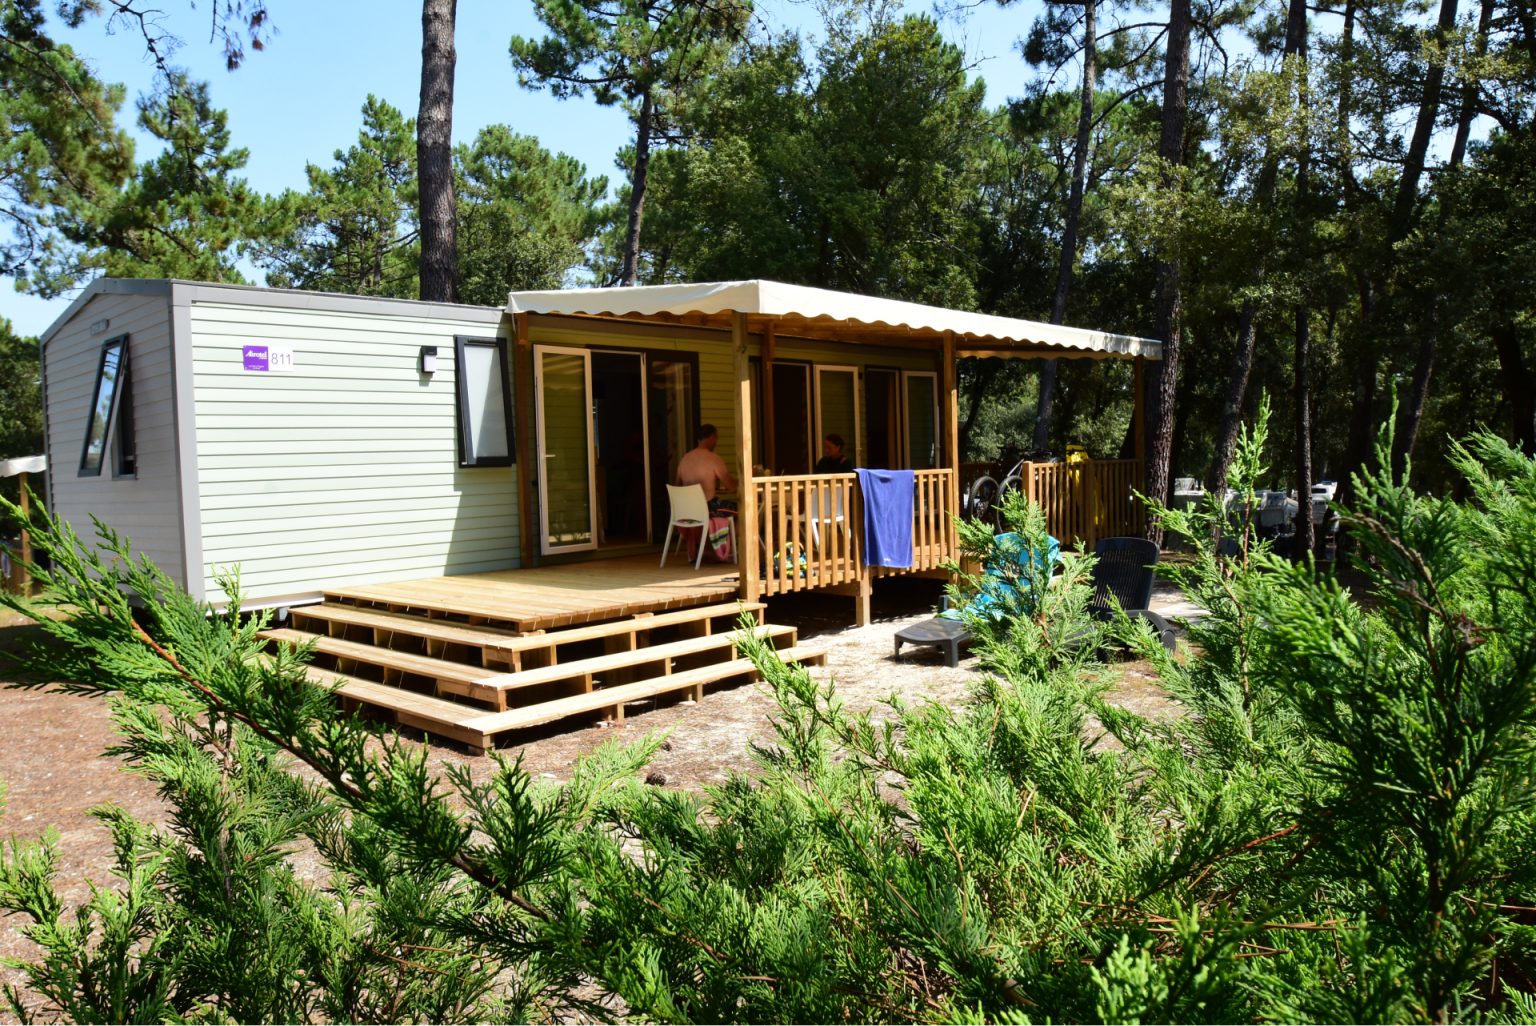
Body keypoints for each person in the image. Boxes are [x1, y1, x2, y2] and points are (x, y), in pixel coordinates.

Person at [676, 423, 738, 514]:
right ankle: (728, 528)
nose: (716, 442)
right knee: (741, 510)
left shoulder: (684, 458)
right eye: (716, 438)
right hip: (706, 509)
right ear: (712, 437)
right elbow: (732, 487)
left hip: (686, 510)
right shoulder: (714, 459)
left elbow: (678, 486)